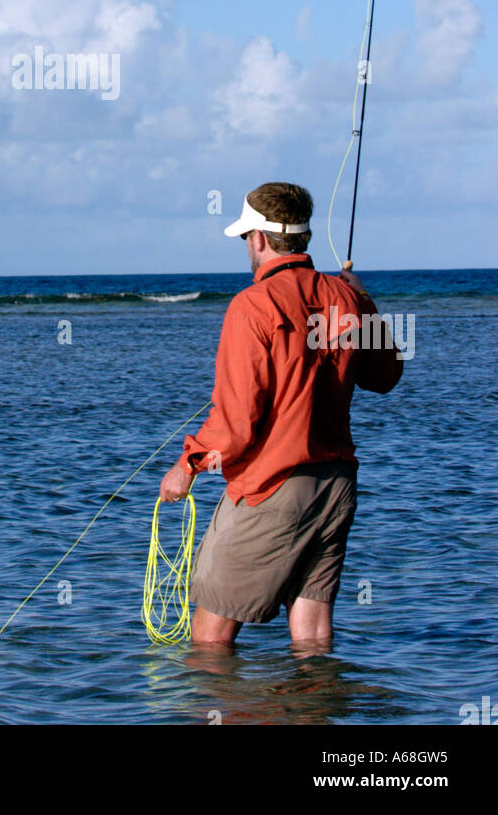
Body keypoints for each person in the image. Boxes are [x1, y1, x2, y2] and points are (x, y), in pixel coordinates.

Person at [158, 182, 404, 649]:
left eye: (245, 239)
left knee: (211, 638)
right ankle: (316, 714)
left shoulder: (251, 306)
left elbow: (236, 423)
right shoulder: (346, 298)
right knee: (312, 632)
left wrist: (185, 466)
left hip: (272, 487)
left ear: (259, 239)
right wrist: (364, 300)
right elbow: (387, 374)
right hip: (335, 485)